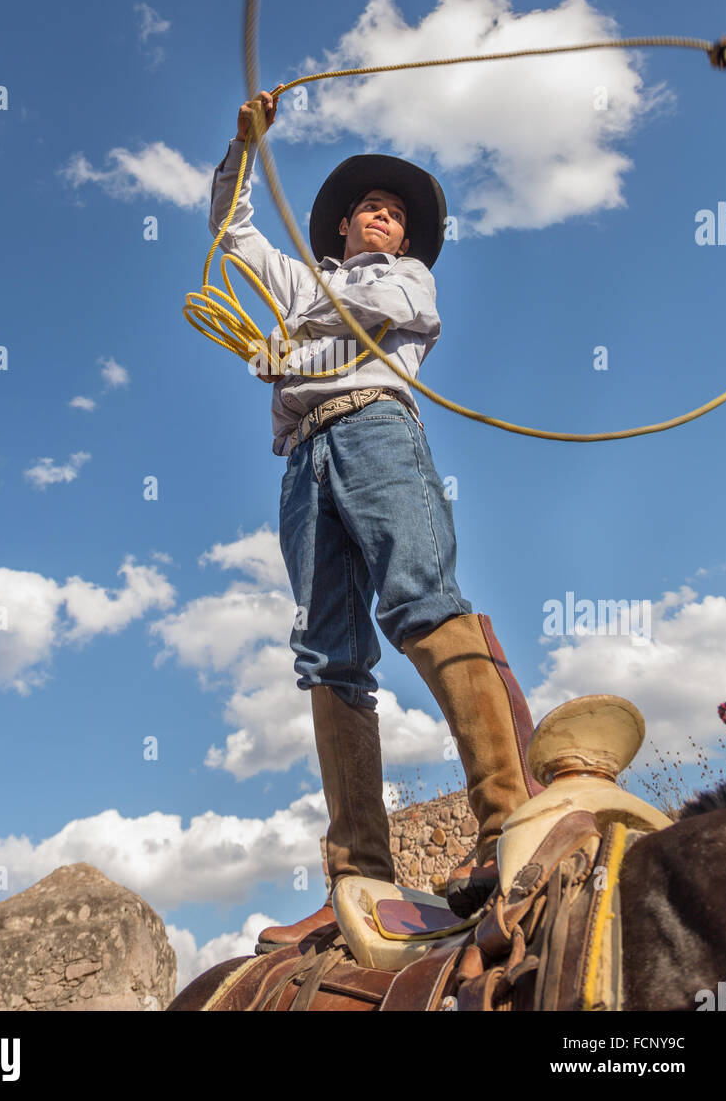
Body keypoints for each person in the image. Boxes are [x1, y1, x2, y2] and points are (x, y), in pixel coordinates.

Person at [207, 91, 542, 953]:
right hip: (304, 458)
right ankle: (358, 873)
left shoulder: (407, 280)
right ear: (346, 225)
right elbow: (232, 233)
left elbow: (365, 331)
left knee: (421, 600)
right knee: (326, 652)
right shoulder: (304, 277)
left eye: (396, 215)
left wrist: (280, 354)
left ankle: (507, 820)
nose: (385, 220)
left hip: (376, 430)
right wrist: (243, 150)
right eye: (372, 209)